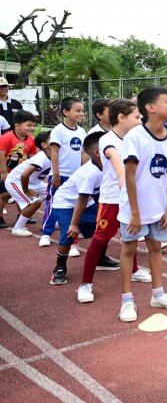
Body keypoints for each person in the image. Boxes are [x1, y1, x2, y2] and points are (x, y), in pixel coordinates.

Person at [117, 87, 167, 323]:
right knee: (128, 250)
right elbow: (130, 176)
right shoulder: (135, 137)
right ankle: (127, 300)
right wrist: (135, 212)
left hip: (159, 208)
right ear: (151, 107)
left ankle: (158, 294)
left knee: (155, 248)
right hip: (134, 209)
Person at [77, 99, 150, 304]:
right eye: (137, 117)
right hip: (112, 199)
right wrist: (121, 177)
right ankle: (85, 285)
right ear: (121, 117)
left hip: (132, 197)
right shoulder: (108, 139)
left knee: (131, 237)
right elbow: (115, 158)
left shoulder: (136, 137)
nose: (140, 120)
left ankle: (134, 270)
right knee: (100, 240)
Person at [48, 131, 104, 286]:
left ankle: (101, 258)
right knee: (69, 233)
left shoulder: (108, 166)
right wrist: (74, 224)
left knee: (105, 224)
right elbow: (82, 199)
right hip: (65, 203)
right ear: (98, 153)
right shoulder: (89, 173)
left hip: (88, 202)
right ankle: (60, 267)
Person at [40, 97, 86, 250]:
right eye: (78, 110)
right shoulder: (59, 130)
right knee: (54, 204)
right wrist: (56, 173)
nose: (81, 114)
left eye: (82, 111)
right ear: (66, 112)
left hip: (75, 176)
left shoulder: (81, 131)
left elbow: (82, 154)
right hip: (61, 175)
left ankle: (72, 240)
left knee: (74, 206)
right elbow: (54, 152)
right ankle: (46, 233)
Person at [5, 131, 51, 237]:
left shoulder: (55, 155)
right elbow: (24, 175)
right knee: (35, 202)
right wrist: (26, 191)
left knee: (54, 194)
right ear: (44, 144)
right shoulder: (41, 158)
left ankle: (52, 221)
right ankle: (17, 228)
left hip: (34, 183)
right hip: (16, 182)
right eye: (52, 137)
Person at [0, 110, 38, 228]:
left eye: (33, 125)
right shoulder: (7, 137)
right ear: (17, 125)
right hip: (6, 172)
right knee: (4, 195)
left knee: (20, 193)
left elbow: (32, 157)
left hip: (18, 173)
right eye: (28, 125)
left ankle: (21, 214)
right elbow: (1, 154)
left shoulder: (31, 140)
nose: (32, 128)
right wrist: (4, 171)